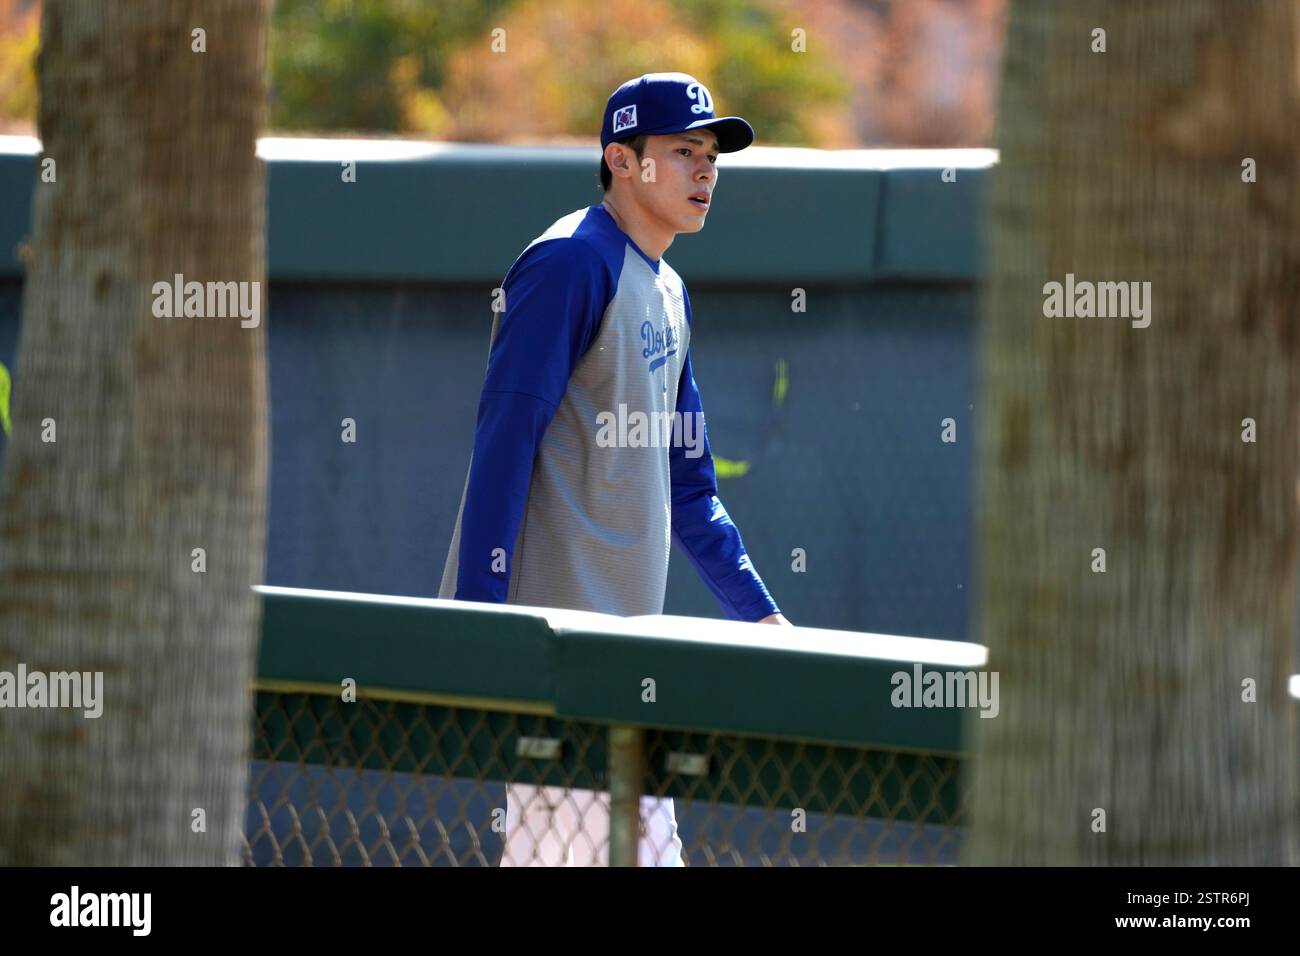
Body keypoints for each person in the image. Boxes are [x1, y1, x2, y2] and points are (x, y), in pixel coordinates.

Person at [439, 72, 790, 866]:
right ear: (621, 161)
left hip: (622, 668)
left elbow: (690, 487)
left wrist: (759, 614)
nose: (705, 170)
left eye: (711, 154)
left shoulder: (666, 288)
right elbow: (504, 438)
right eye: (682, 150)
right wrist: (481, 625)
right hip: (554, 662)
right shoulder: (570, 261)